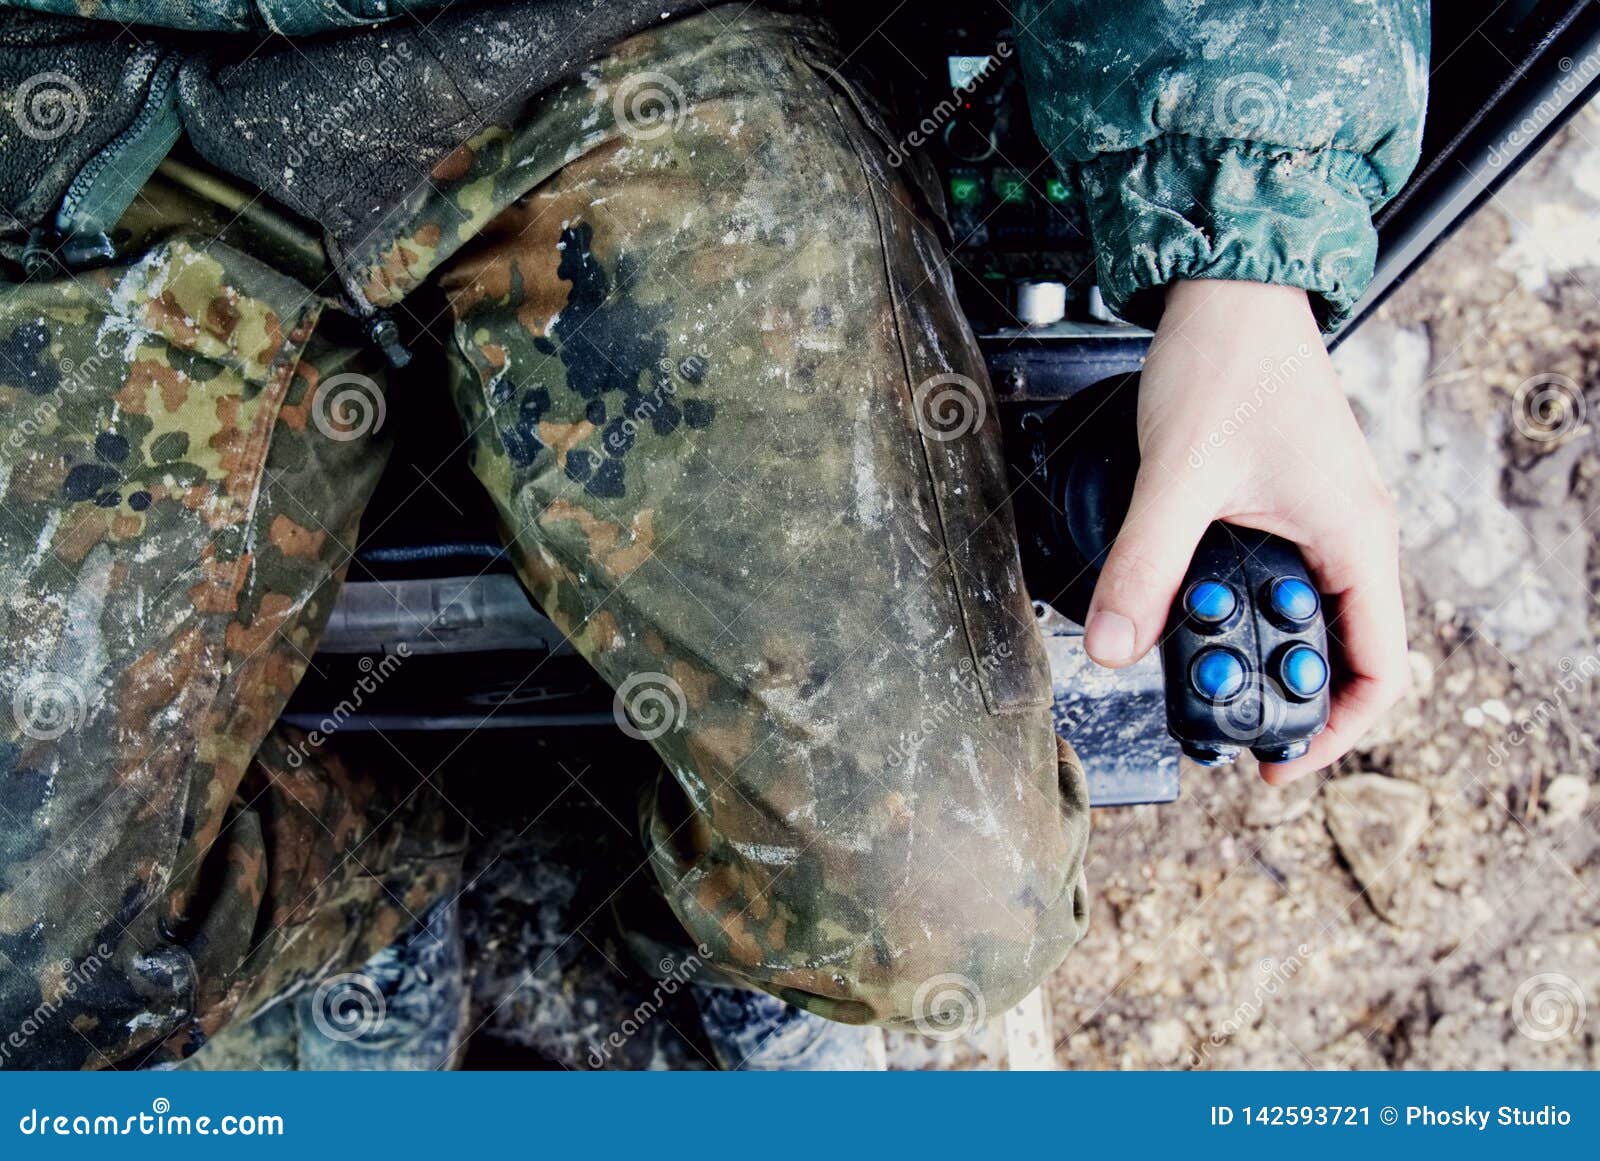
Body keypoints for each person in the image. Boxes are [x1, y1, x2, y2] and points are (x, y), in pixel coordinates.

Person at [0, 0, 1425, 1069]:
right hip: (77, 104)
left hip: (624, 46)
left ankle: (712, 937)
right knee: (31, 977)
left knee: (938, 908)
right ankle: (396, 880)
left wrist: (1244, 239)